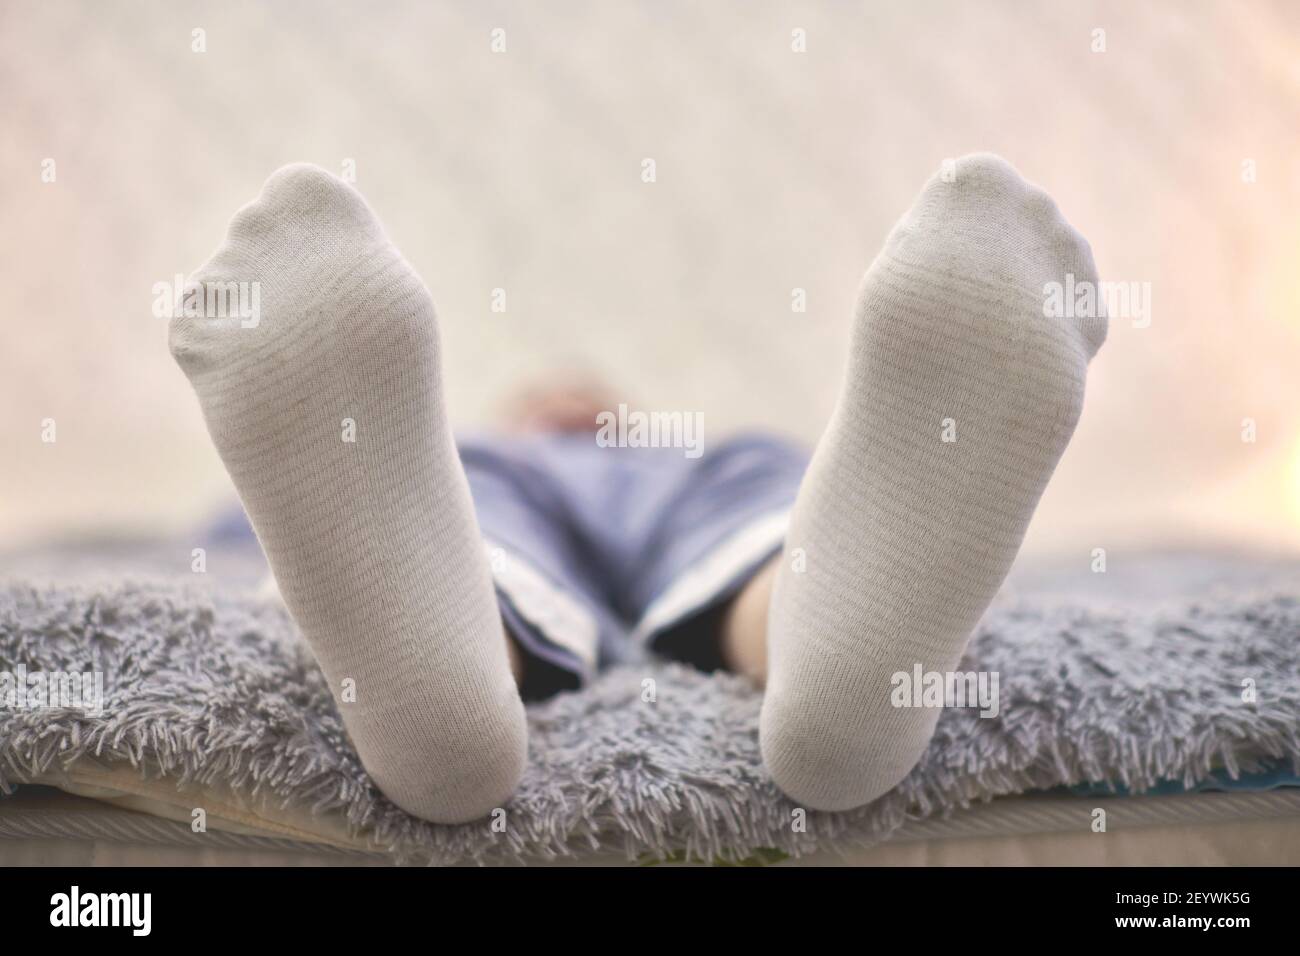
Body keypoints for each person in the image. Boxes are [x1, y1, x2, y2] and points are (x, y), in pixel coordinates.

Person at [169, 154, 1107, 824]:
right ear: (523, 413)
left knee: (771, 516)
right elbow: (257, 536)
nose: (577, 409)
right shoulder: (490, 451)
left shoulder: (668, 447)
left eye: (593, 401)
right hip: (489, 494)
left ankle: (842, 681)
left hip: (683, 484)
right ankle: (443, 699)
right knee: (479, 538)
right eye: (555, 401)